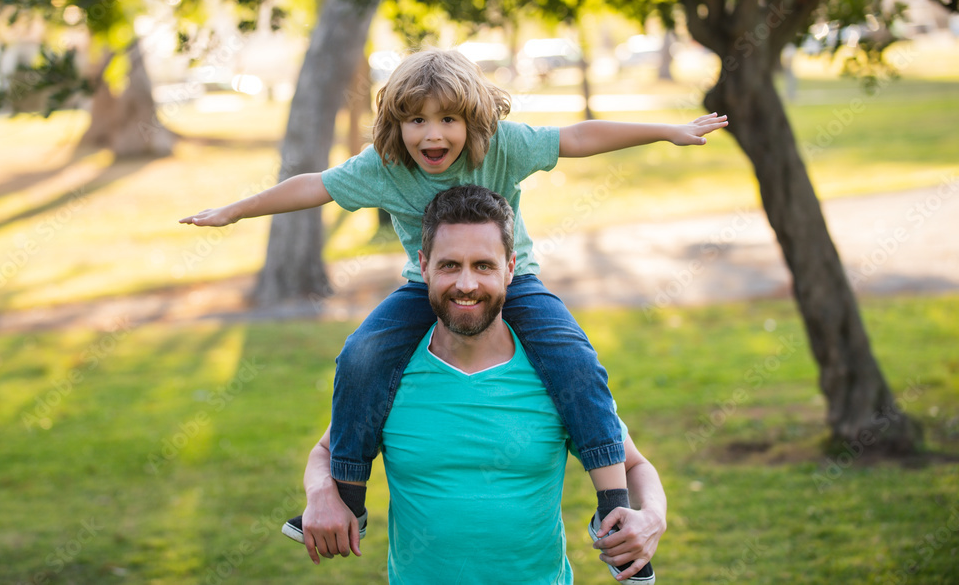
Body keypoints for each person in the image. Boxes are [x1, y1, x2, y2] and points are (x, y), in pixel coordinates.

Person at [179, 48, 723, 562]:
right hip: (425, 285)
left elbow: (579, 136)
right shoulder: (384, 168)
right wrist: (233, 211)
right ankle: (348, 497)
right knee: (362, 354)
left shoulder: (504, 146)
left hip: (516, 282)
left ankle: (613, 507)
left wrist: (666, 132)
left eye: (447, 120)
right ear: (397, 127)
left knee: (575, 359)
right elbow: (313, 187)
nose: (432, 134)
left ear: (474, 122)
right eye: (416, 120)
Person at [300, 185, 667, 583]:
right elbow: (326, 451)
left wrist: (652, 517)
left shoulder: (558, 374)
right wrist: (321, 493)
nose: (467, 284)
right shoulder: (387, 376)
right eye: (450, 265)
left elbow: (633, 463)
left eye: (483, 266)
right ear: (423, 267)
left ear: (511, 267)